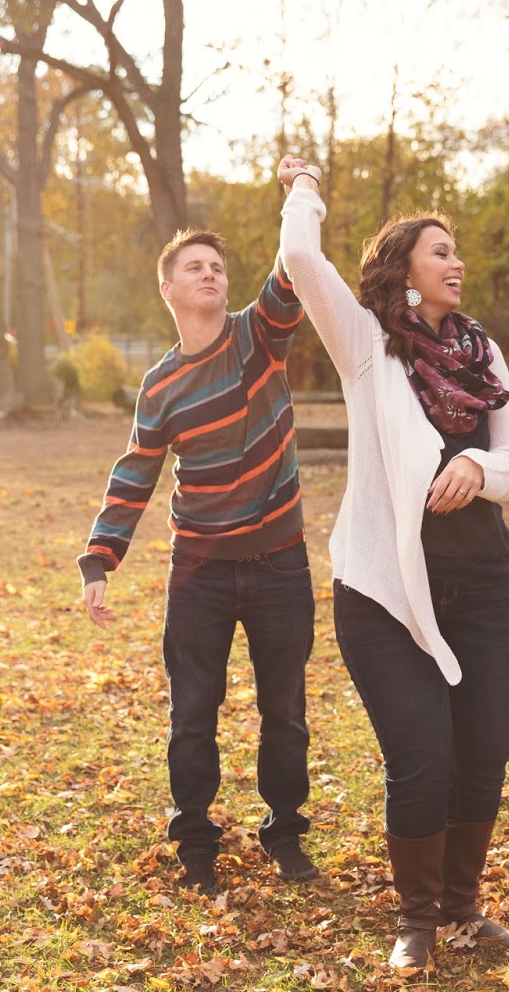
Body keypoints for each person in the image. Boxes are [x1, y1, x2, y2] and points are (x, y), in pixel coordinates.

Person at [276, 156, 509, 969]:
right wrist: (306, 188)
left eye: (458, 252)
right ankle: (416, 921)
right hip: (385, 594)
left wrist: (479, 470)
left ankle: (463, 910)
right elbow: (301, 262)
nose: (457, 263)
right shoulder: (367, 349)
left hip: (484, 587)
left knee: (483, 754)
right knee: (423, 760)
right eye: (440, 252)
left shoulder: (482, 355)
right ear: (405, 273)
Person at [77, 228, 318, 896]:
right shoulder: (159, 387)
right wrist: (99, 559)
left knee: (286, 710)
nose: (210, 273)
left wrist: (301, 196)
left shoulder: (260, 336)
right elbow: (136, 475)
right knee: (192, 714)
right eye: (194, 266)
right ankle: (195, 844)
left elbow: (290, 268)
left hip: (279, 564)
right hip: (201, 572)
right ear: (170, 288)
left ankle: (286, 834)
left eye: (217, 266)